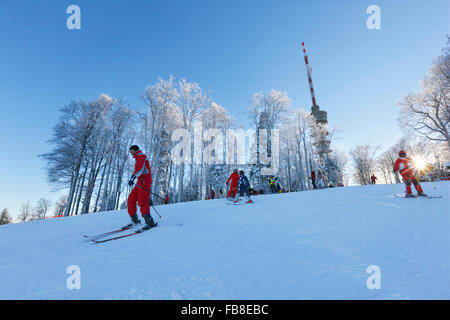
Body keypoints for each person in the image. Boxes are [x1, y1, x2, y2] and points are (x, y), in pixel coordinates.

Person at [126, 145, 157, 230]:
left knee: (142, 201)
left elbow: (140, 168)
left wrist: (132, 177)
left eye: (130, 150)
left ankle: (149, 222)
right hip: (140, 181)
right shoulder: (137, 157)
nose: (130, 152)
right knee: (131, 199)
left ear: (134, 149)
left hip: (145, 181)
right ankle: (134, 220)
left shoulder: (141, 156)